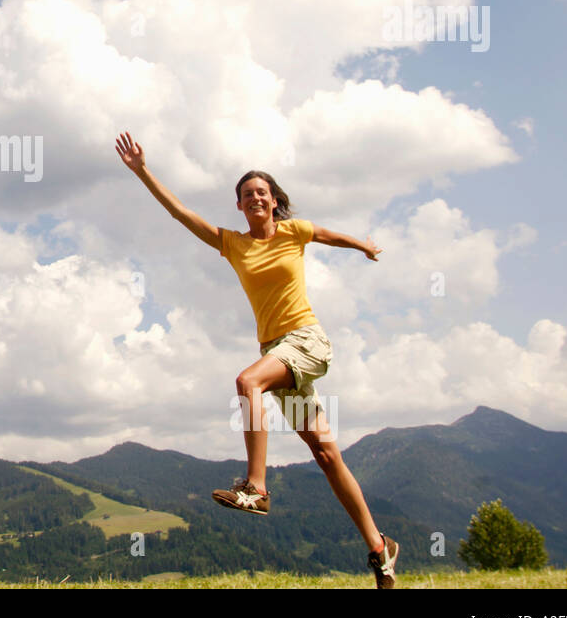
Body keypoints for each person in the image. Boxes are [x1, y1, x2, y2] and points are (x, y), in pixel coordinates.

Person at [115, 131, 400, 589]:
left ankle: (257, 487)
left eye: (261, 193)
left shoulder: (295, 231)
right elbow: (179, 212)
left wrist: (364, 246)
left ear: (274, 200)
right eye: (247, 195)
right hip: (277, 353)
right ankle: (380, 550)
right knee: (326, 455)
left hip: (306, 342)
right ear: (240, 205)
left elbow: (331, 235)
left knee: (248, 383)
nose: (255, 199)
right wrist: (143, 170)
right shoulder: (233, 244)